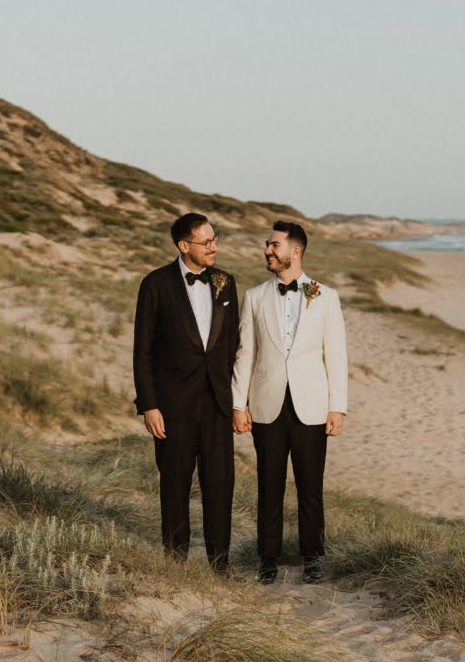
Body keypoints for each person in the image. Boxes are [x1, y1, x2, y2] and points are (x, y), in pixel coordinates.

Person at [232, 220, 347, 584]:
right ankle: (267, 561)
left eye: (274, 245)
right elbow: (244, 354)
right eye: (267, 245)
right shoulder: (253, 297)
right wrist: (238, 403)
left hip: (311, 407)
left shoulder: (326, 296)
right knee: (269, 488)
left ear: (295, 251)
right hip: (266, 405)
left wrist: (337, 407)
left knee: (310, 489)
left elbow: (337, 355)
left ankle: (313, 560)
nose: (267, 250)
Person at [132, 212, 238, 573]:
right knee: (175, 485)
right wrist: (149, 405)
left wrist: (237, 401)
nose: (214, 247)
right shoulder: (155, 284)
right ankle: (175, 563)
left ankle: (219, 565)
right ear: (184, 246)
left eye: (215, 239)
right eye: (206, 242)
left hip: (217, 405)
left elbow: (232, 345)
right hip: (172, 407)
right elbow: (142, 350)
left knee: (220, 486)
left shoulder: (226, 282)